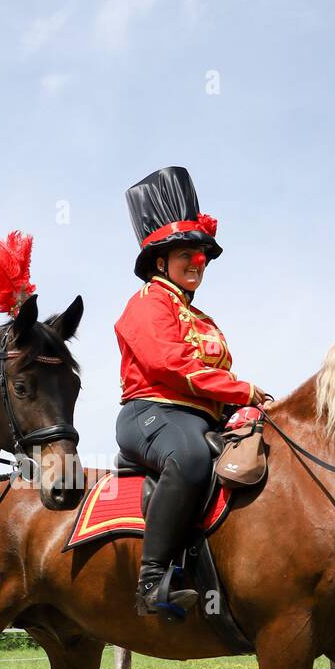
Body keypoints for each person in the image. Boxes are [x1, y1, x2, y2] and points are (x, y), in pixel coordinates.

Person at [114, 166, 268, 618]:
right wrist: (245, 390)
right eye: (187, 254)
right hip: (151, 413)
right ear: (160, 261)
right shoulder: (147, 303)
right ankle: (151, 584)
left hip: (202, 417)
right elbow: (172, 366)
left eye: (201, 255)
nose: (197, 262)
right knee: (192, 458)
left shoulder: (201, 317)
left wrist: (244, 408)